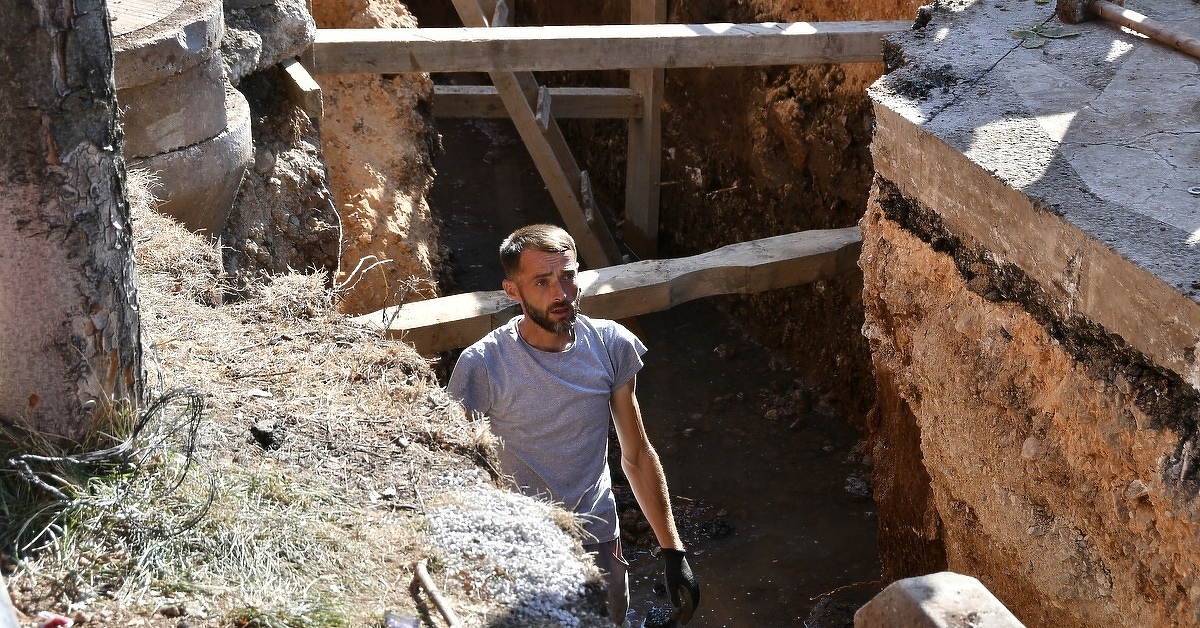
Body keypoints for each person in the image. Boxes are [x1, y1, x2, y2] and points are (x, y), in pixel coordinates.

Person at [447, 224, 701, 626]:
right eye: (542, 282)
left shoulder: (610, 344)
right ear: (513, 291)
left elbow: (635, 455)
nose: (561, 294)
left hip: (599, 537)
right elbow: (456, 470)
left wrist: (673, 550)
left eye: (567, 276)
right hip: (524, 546)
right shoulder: (483, 365)